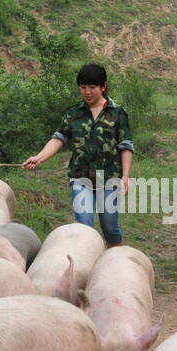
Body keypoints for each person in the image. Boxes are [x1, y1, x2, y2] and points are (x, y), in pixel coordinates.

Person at [23, 63, 133, 245]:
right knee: (83, 228)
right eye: (83, 87)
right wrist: (39, 157)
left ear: (103, 87)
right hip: (80, 178)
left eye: (92, 87)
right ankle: (86, 266)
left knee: (110, 229)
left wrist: (126, 177)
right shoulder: (74, 114)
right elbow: (58, 139)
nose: (87, 92)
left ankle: (115, 260)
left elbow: (126, 146)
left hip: (109, 178)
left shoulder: (117, 114)